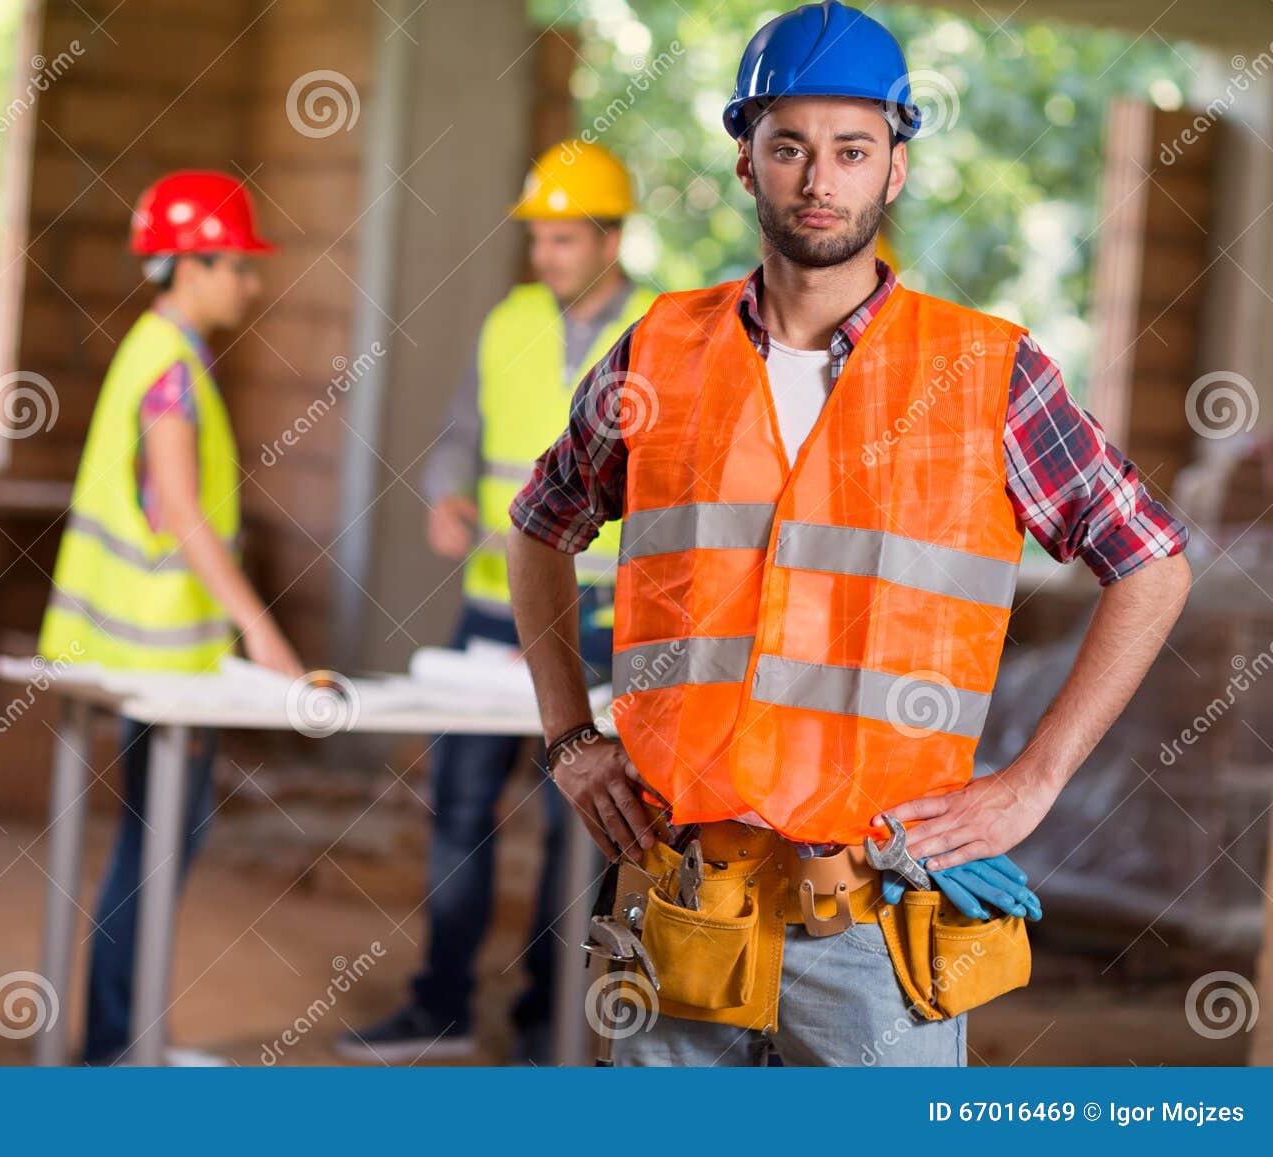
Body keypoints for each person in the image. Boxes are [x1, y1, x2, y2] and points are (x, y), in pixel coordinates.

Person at [505, 1, 1192, 1067]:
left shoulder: (985, 372)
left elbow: (1150, 562)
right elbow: (539, 526)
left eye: (851, 149)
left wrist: (1033, 780)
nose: (819, 179)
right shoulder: (657, 354)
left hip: (875, 923)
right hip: (680, 903)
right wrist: (569, 737)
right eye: (788, 147)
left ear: (895, 167)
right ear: (746, 163)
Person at [337, 142, 656, 1064]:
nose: (545, 256)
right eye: (539, 239)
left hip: (602, 613)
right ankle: (439, 1005)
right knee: (460, 808)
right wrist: (444, 490)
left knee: (580, 826)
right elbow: (460, 437)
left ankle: (546, 1023)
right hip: (493, 606)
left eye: (563, 239)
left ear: (610, 237)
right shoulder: (506, 320)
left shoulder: (661, 329)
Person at [37, 171, 304, 1066]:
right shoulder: (171, 374)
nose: (252, 284)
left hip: (146, 656)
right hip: (160, 664)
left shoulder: (157, 352)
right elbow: (184, 514)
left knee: (149, 850)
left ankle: (122, 1033)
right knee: (152, 856)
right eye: (238, 265)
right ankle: (116, 1043)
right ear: (191, 262)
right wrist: (265, 636)